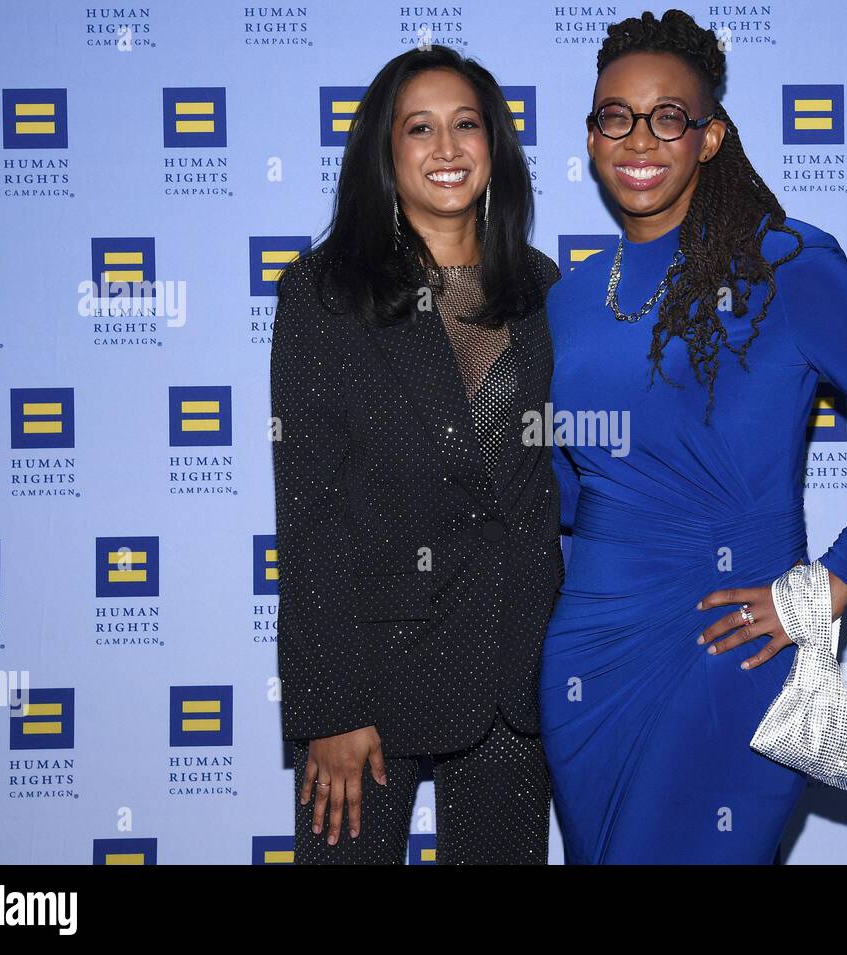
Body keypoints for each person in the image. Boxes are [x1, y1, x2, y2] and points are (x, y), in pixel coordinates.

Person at [538, 9, 847, 864]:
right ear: (590, 138)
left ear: (710, 138)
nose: (641, 137)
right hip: (587, 666)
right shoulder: (569, 300)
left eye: (670, 116)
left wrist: (826, 590)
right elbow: (564, 495)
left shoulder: (785, 266)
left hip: (732, 646)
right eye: (615, 115)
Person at [270, 44, 561, 864]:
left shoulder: (544, 289)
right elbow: (310, 510)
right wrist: (329, 704)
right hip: (371, 670)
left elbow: (546, 484)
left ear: (496, 147)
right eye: (419, 129)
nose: (446, 148)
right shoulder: (326, 293)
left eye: (467, 125)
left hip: (516, 673)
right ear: (385, 154)